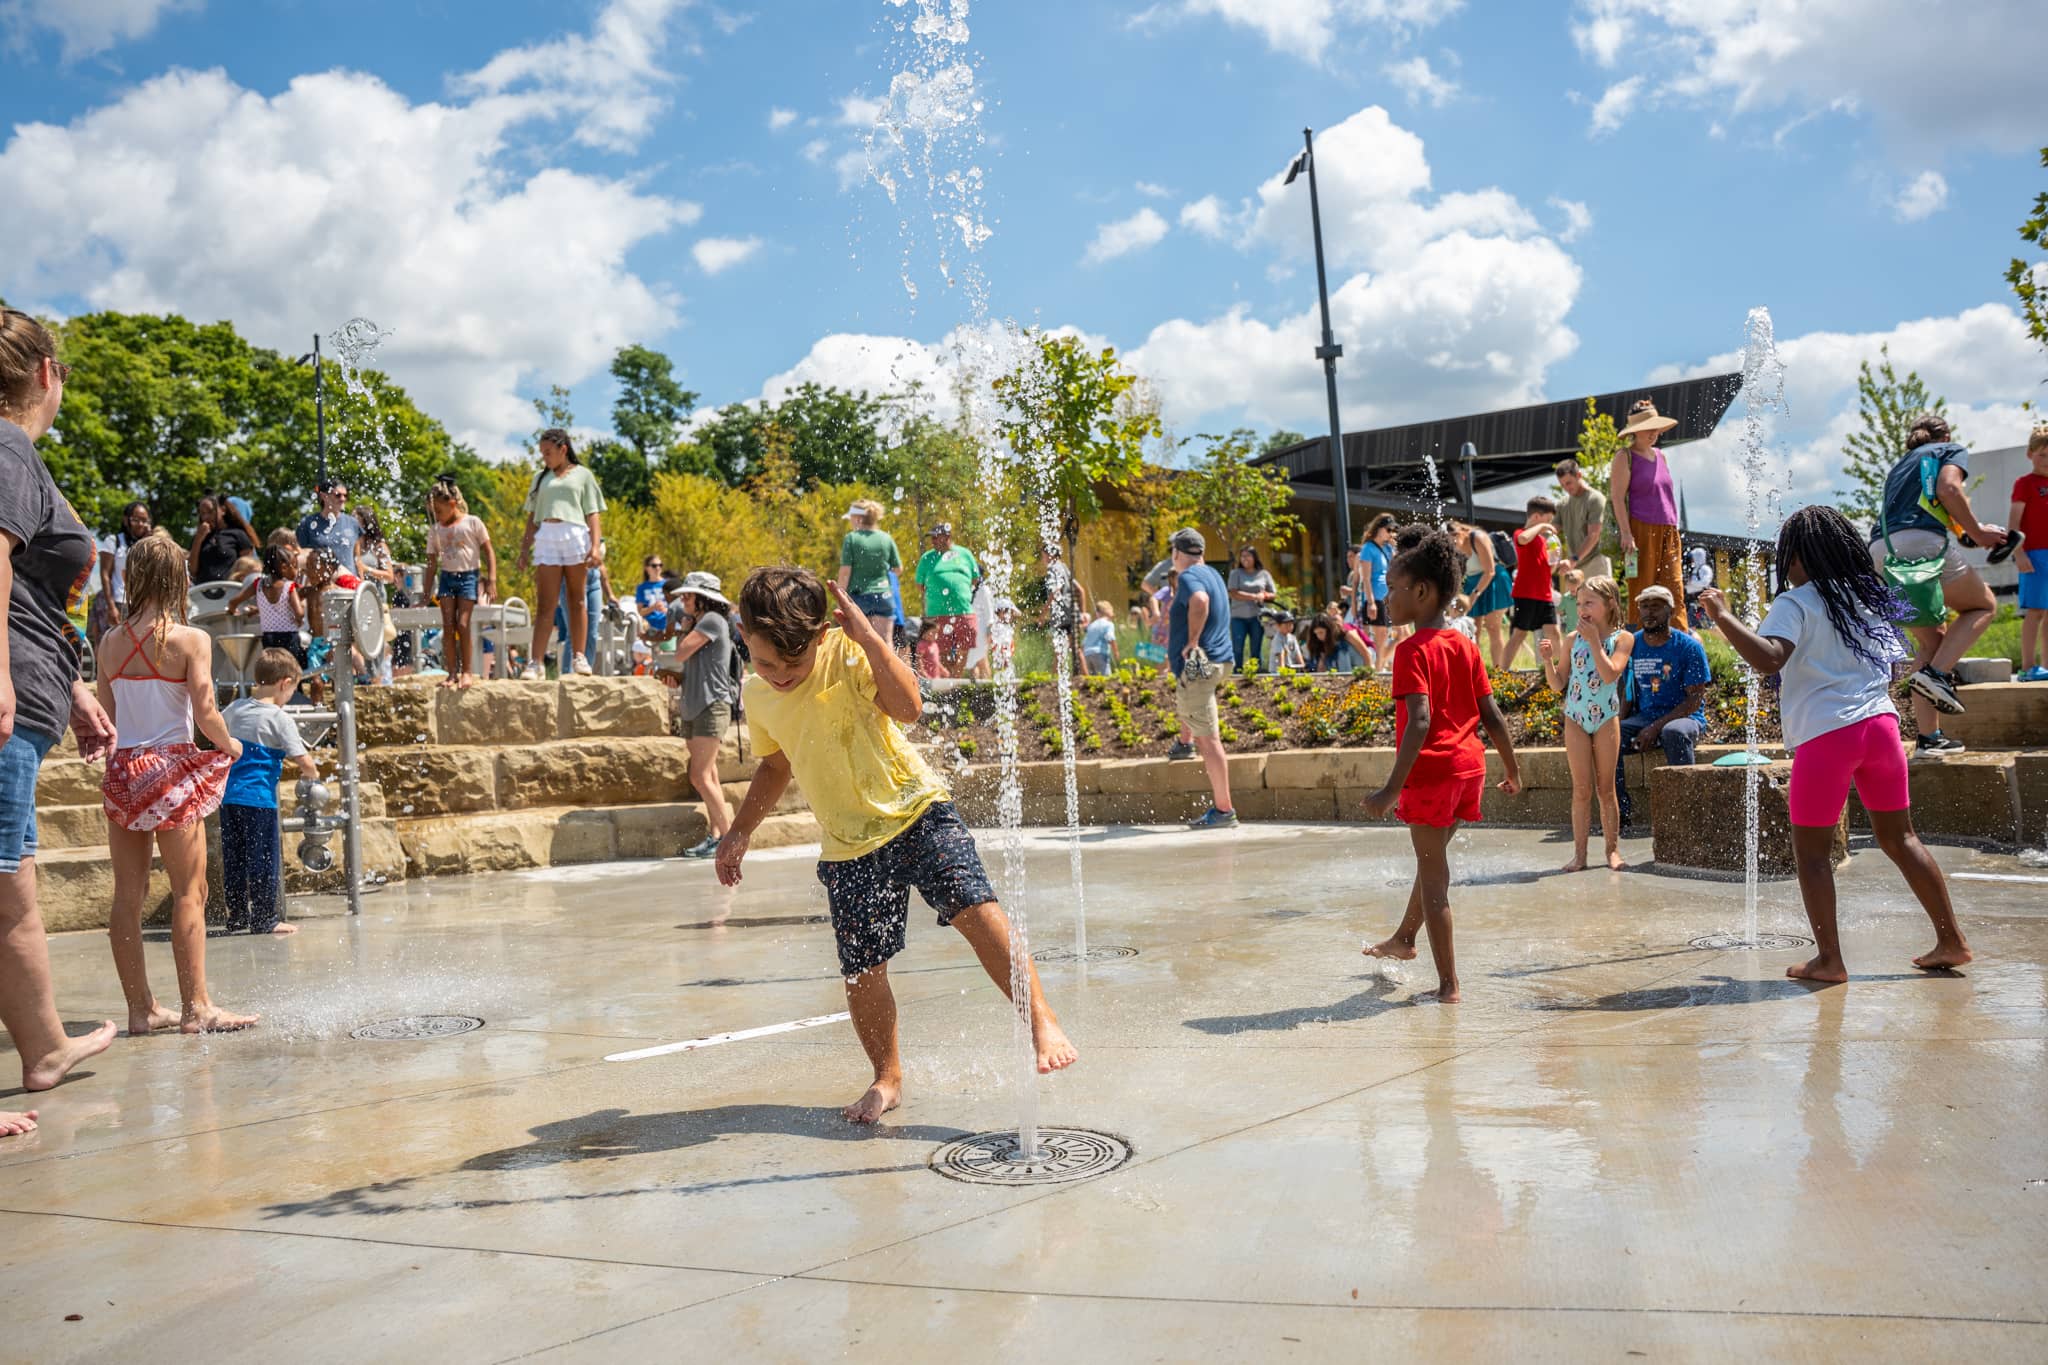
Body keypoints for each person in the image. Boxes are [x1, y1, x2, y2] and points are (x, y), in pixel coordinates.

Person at [715, 566, 1076, 1122]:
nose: (781, 676)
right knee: (863, 971)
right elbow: (775, 764)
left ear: (819, 635)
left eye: (794, 663)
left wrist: (870, 639)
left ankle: (1041, 1022)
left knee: (978, 914)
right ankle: (887, 1077)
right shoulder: (759, 695)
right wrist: (739, 831)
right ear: (744, 635)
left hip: (917, 811)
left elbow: (909, 709)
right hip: (848, 846)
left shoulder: (846, 652)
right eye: (767, 663)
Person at [1701, 505, 1971, 982]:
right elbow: (1890, 667)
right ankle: (1951, 939)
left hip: (1828, 736)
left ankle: (1830, 960)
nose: (1783, 567)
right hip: (1882, 728)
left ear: (1800, 556)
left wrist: (1722, 616)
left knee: (1811, 853)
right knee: (1901, 838)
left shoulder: (1796, 602)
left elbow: (1768, 660)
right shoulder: (1866, 597)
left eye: (1786, 556)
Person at [0, 308, 120, 1135]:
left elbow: (35, 593)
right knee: (4, 882)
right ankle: (41, 1048)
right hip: (7, 701)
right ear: (47, 371)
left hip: (33, 694)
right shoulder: (8, 448)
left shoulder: (19, 457)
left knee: (15, 876)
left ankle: (43, 1047)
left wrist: (72, 686)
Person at [95, 535, 255, 1034]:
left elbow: (109, 716)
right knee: (191, 890)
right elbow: (206, 713)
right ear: (176, 579)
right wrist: (231, 746)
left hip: (124, 771)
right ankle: (197, 1008)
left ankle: (141, 1009)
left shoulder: (108, 642)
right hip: (171, 771)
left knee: (128, 895)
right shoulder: (191, 639)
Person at [1361, 528, 1524, 1003]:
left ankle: (1449, 985)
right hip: (1469, 769)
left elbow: (1419, 722)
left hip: (1431, 774)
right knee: (1432, 862)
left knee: (1435, 879)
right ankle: (1405, 939)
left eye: (1392, 588)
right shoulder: (1466, 646)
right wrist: (1512, 769)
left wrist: (1391, 789)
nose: (1386, 597)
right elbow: (1492, 716)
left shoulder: (1412, 652)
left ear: (1422, 592)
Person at [1868, 411, 2006, 752]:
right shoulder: (1948, 450)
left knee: (1932, 641)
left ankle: (1930, 738)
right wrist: (1977, 531)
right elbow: (1948, 488)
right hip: (1920, 544)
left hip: (1880, 549)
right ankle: (1938, 675)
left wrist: (1963, 531)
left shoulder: (1901, 465)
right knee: (1983, 605)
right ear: (1944, 437)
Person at [220, 648, 316, 936]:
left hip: (229, 798)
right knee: (263, 859)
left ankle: (236, 916)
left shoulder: (235, 708)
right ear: (285, 683)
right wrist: (313, 775)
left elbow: (215, 730)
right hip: (259, 800)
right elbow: (302, 758)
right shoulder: (279, 718)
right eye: (293, 690)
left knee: (234, 859)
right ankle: (265, 919)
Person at [1540, 575, 1632, 872]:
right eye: (1579, 603)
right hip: (1576, 718)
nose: (1582, 609)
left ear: (1609, 604)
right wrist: (1547, 661)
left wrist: (1595, 642)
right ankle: (1580, 855)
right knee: (1581, 789)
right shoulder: (1570, 640)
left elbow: (1609, 675)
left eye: (1589, 602)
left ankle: (1612, 851)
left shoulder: (1622, 639)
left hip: (1606, 718)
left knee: (1606, 789)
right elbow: (1558, 684)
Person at [1157, 528, 1239, 828]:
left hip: (1200, 666)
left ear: (1177, 553)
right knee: (1200, 720)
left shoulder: (1189, 577)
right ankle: (1184, 742)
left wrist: (1192, 641)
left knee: (1210, 741)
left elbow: (1201, 602)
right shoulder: (1213, 574)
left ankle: (1224, 810)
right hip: (1219, 661)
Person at [1615, 585, 1711, 830]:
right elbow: (1627, 690)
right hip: (1644, 718)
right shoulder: (1632, 644)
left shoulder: (1689, 647)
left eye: (1656, 607)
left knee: (1674, 733)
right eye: (1644, 607)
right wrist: (1615, 725)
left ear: (1670, 610)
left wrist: (1656, 727)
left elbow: (1694, 701)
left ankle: (1687, 814)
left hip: (1685, 717)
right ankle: (1619, 814)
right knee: (1609, 737)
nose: (1649, 613)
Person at [518, 429, 606, 678]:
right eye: (542, 453)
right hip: (548, 535)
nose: (545, 457)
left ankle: (579, 657)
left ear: (563, 449)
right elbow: (532, 519)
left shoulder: (583, 475)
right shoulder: (540, 478)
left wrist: (595, 546)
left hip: (575, 535)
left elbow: (593, 512)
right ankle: (535, 662)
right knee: (546, 603)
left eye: (548, 452)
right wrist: (524, 550)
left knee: (577, 599)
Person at [670, 572, 738, 861]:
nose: (683, 600)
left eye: (687, 595)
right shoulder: (702, 622)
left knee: (699, 775)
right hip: (696, 704)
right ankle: (717, 837)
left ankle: (731, 840)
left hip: (712, 705)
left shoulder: (711, 620)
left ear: (703, 599)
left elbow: (681, 652)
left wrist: (685, 628)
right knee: (708, 774)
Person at [1611, 399, 1687, 626]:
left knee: (1675, 589)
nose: (1654, 432)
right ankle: (1637, 645)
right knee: (1643, 591)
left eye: (1657, 427)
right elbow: (1617, 497)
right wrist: (1626, 533)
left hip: (1670, 530)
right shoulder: (1624, 457)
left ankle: (1680, 643)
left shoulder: (1661, 456)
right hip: (1640, 529)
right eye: (1649, 428)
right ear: (1636, 431)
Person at [424, 477, 496, 688]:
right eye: (433, 511)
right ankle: (451, 673)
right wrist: (426, 592)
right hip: (447, 578)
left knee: (463, 624)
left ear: (452, 504)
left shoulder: (472, 522)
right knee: (447, 625)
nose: (436, 515)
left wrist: (491, 580)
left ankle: (467, 671)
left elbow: (489, 551)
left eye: (439, 510)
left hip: (468, 576)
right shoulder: (436, 530)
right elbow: (431, 563)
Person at [1502, 497, 1565, 672]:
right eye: (1548, 520)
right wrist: (1542, 527)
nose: (1550, 525)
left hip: (1544, 595)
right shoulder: (1521, 533)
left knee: (1554, 632)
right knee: (1519, 634)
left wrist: (1555, 560)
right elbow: (1522, 538)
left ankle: (1561, 671)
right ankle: (1502, 672)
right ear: (1537, 516)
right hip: (1525, 594)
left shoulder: (1543, 541)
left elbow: (1548, 570)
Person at [913, 523, 980, 675]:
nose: (933, 540)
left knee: (965, 645)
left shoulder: (965, 554)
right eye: (932, 537)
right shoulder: (927, 558)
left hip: (963, 610)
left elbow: (975, 579)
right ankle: (946, 683)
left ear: (948, 537)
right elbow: (920, 585)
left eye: (937, 537)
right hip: (937, 612)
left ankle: (955, 680)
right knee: (941, 649)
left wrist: (958, 592)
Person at [2012, 423, 2048, 682]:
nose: (2047, 460)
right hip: (2034, 555)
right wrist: (2019, 553)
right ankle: (2027, 667)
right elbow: (2013, 525)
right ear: (2030, 454)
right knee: (2035, 612)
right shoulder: (2024, 484)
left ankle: (2045, 666)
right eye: (2042, 454)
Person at [836, 499, 901, 642]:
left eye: (851, 519)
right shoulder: (886, 538)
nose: (850, 522)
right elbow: (897, 569)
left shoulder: (852, 538)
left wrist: (839, 597)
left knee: (857, 644)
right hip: (884, 596)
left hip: (859, 597)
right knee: (885, 642)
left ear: (858, 519)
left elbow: (845, 573)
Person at [231, 544, 307, 666]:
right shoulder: (289, 586)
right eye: (294, 566)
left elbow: (234, 601)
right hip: (289, 637)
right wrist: (298, 619)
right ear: (283, 567)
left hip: (269, 637)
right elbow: (299, 612)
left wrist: (232, 610)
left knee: (273, 668)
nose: (297, 571)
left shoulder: (258, 585)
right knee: (292, 668)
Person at [92, 500, 153, 637]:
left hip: (141, 604)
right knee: (115, 645)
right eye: (136, 520)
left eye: (145, 520)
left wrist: (150, 539)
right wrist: (111, 606)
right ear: (126, 520)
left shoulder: (148, 544)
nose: (141, 524)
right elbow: (105, 575)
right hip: (119, 602)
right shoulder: (114, 541)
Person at [1455, 522, 1508, 670]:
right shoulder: (1455, 548)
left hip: (1492, 580)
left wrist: (1474, 595)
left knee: (1493, 628)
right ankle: (1475, 672)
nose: (1452, 545)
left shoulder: (1477, 537)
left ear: (1460, 534)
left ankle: (1500, 672)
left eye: (1453, 541)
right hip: (1472, 583)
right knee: (1472, 631)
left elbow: (1489, 571)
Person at [1555, 458, 1612, 581]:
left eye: (1569, 483)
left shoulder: (1595, 499)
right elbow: (1551, 531)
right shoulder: (1562, 504)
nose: (1566, 488)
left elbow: (1594, 534)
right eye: (1562, 485)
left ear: (1579, 475)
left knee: (1599, 599)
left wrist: (1573, 560)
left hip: (1595, 563)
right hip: (1575, 568)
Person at [297, 477, 362, 576]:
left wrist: (361, 585)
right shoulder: (307, 524)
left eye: (345, 495)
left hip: (349, 584)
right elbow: (300, 556)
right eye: (338, 495)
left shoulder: (353, 523)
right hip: (321, 585)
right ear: (324, 496)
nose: (342, 499)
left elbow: (357, 559)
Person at [1226, 545, 1277, 670]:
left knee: (1256, 648)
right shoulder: (1235, 573)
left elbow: (1273, 594)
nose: (1244, 559)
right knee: (1237, 648)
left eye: (1248, 555)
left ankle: (1256, 674)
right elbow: (1233, 593)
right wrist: (1254, 596)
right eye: (1242, 556)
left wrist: (1263, 595)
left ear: (1255, 557)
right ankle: (1236, 672)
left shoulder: (1264, 574)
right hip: (1238, 617)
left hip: (1257, 617)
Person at [190, 493, 256, 586]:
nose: (206, 517)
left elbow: (249, 567)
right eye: (202, 513)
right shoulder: (199, 538)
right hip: (203, 593)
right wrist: (198, 539)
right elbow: (192, 570)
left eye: (210, 512)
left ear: (223, 510)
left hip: (230, 591)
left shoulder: (238, 534)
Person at [1358, 514, 1398, 667]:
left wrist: (1395, 545)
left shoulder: (1388, 548)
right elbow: (1366, 578)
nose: (1391, 533)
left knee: (1402, 635)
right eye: (1388, 530)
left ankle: (1379, 664)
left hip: (1390, 596)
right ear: (1379, 529)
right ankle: (1378, 669)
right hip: (1376, 597)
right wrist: (1371, 602)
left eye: (1393, 530)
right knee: (1381, 637)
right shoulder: (1368, 548)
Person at [634, 553, 670, 638]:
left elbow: (677, 608)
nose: (658, 568)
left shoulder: (668, 584)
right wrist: (653, 607)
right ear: (647, 568)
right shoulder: (641, 588)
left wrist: (665, 610)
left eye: (660, 565)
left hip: (667, 626)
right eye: (654, 566)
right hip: (648, 628)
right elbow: (640, 612)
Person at [1081, 599, 1118, 676]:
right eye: (1112, 610)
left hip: (1087, 654)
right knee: (1105, 678)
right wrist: (1116, 652)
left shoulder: (1091, 625)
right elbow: (1110, 638)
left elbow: (1084, 643)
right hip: (1100, 653)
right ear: (1108, 611)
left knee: (1093, 680)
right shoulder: (1108, 624)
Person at [1683, 547, 1715, 630]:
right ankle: (1692, 632)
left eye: (1693, 557)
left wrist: (1691, 582)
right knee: (1691, 618)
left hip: (1702, 597)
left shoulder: (1705, 569)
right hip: (1692, 598)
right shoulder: (1693, 569)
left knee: (1698, 618)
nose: (1692, 560)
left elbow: (1705, 582)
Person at [1557, 566, 1586, 636]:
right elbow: (1560, 611)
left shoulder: (1585, 597)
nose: (1572, 588)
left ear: (1581, 584)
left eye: (1575, 585)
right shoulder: (1566, 597)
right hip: (1570, 630)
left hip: (1584, 629)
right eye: (1569, 586)